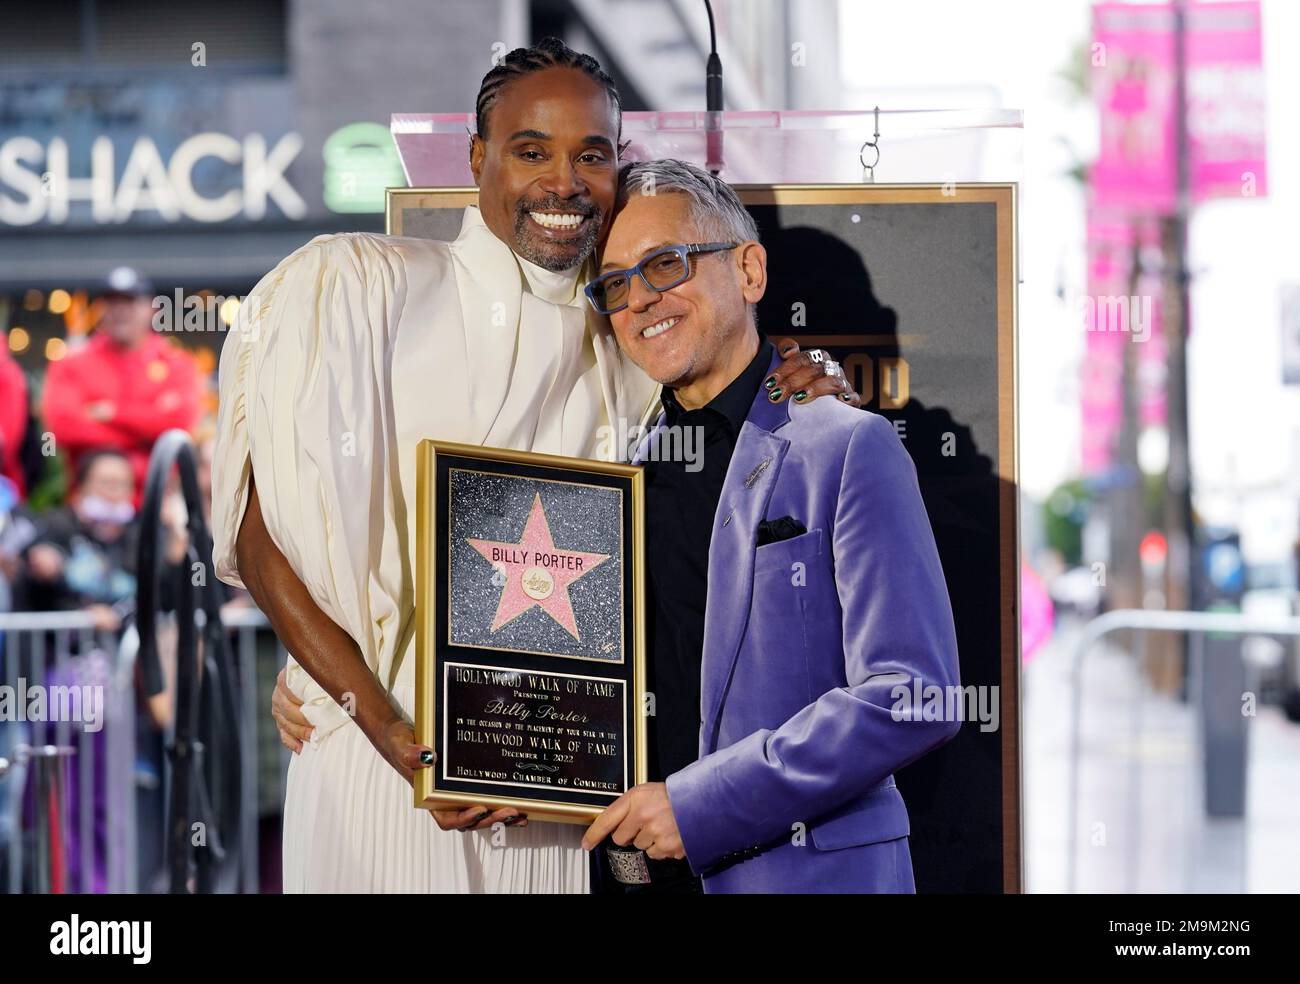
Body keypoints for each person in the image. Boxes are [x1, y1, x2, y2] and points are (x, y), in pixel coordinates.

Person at [219, 39, 855, 894]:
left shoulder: (623, 337)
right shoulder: (354, 287)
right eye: (530, 151)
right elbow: (261, 540)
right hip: (376, 777)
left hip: (554, 800)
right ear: (478, 158)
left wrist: (812, 369)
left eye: (590, 155)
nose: (562, 182)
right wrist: (374, 720)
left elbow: (731, 375)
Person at [579, 159, 962, 893]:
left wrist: (699, 805)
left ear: (749, 271)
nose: (641, 300)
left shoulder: (847, 445)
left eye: (665, 264)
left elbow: (916, 694)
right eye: (617, 284)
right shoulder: (615, 468)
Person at [42, 266, 203, 509]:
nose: (120, 310)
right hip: (89, 508)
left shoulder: (176, 364)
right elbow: (63, 427)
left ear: (151, 308)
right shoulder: (72, 363)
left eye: (130, 301)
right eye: (112, 301)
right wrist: (144, 438)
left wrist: (113, 414)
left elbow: (179, 423)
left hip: (158, 505)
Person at [14, 447, 137, 630]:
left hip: (117, 647)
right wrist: (45, 563)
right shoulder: (57, 523)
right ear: (82, 485)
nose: (114, 491)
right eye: (106, 482)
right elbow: (33, 561)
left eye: (122, 483)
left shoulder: (137, 531)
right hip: (57, 648)